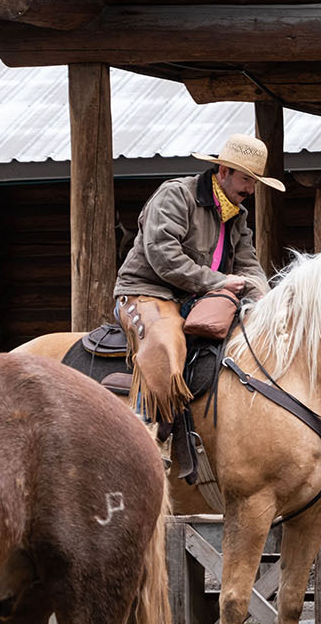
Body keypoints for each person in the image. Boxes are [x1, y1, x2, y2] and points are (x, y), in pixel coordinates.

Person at [114, 132, 284, 428]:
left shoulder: (237, 215)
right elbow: (164, 257)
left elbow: (248, 264)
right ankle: (146, 434)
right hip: (148, 293)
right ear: (223, 172)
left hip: (198, 299)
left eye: (255, 181)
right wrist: (218, 283)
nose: (251, 189)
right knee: (166, 347)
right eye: (246, 179)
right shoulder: (176, 194)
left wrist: (266, 301)